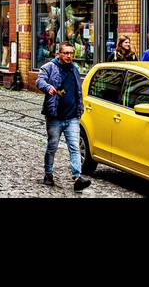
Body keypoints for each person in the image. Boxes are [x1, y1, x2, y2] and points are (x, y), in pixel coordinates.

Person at [34, 41, 91, 191]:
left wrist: (80, 108)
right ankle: (48, 173)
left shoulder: (75, 68)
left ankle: (77, 178)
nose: (68, 56)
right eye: (65, 53)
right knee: (52, 146)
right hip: (55, 116)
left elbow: (78, 90)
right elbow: (39, 80)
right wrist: (47, 87)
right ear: (58, 53)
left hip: (72, 116)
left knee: (74, 147)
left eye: (71, 53)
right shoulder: (49, 67)